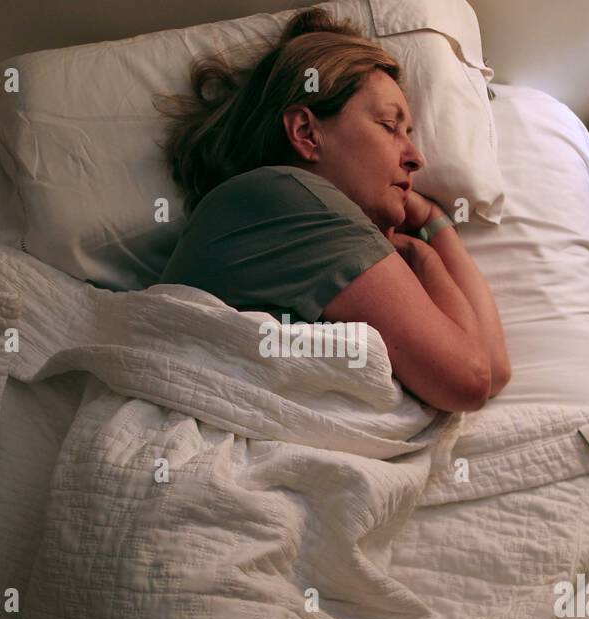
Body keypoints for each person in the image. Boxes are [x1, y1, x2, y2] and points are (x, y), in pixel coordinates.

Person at [158, 8, 510, 411]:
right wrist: (421, 252)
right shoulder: (290, 195)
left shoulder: (275, 206)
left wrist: (432, 221)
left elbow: (492, 370)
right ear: (307, 133)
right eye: (389, 126)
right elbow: (469, 379)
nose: (416, 158)